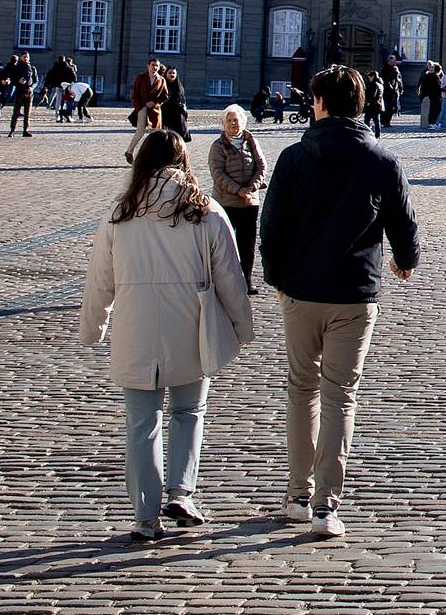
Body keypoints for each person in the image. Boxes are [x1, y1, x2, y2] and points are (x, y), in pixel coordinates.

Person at [258, 65, 420, 539]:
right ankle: (327, 505)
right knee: (339, 396)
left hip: (301, 291)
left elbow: (272, 226)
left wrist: (275, 277)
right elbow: (403, 222)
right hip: (354, 292)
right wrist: (405, 260)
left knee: (301, 390)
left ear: (321, 104)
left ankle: (297, 495)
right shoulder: (382, 161)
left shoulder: (293, 158)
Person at [79, 128, 254, 543]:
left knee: (142, 422)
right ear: (183, 162)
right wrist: (242, 326)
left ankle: (144, 515)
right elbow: (231, 276)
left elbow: (99, 278)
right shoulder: (205, 210)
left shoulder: (121, 211)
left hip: (136, 324)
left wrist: (93, 327)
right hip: (192, 323)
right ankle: (181, 492)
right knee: (188, 411)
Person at [209, 105, 268, 291]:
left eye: (236, 120)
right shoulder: (218, 146)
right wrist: (238, 190)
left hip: (249, 202)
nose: (233, 124)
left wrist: (251, 188)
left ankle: (246, 282)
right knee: (225, 244)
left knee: (247, 244)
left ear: (243, 122)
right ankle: (224, 283)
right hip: (226, 202)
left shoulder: (251, 141)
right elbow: (218, 174)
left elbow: (262, 167)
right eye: (229, 121)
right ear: (223, 124)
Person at [160, 68, 190, 142]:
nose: (172, 75)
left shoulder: (179, 86)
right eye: (170, 73)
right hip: (165, 112)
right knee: (165, 135)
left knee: (180, 134)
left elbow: (183, 99)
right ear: (166, 74)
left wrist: (185, 108)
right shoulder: (162, 84)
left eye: (173, 73)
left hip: (177, 113)